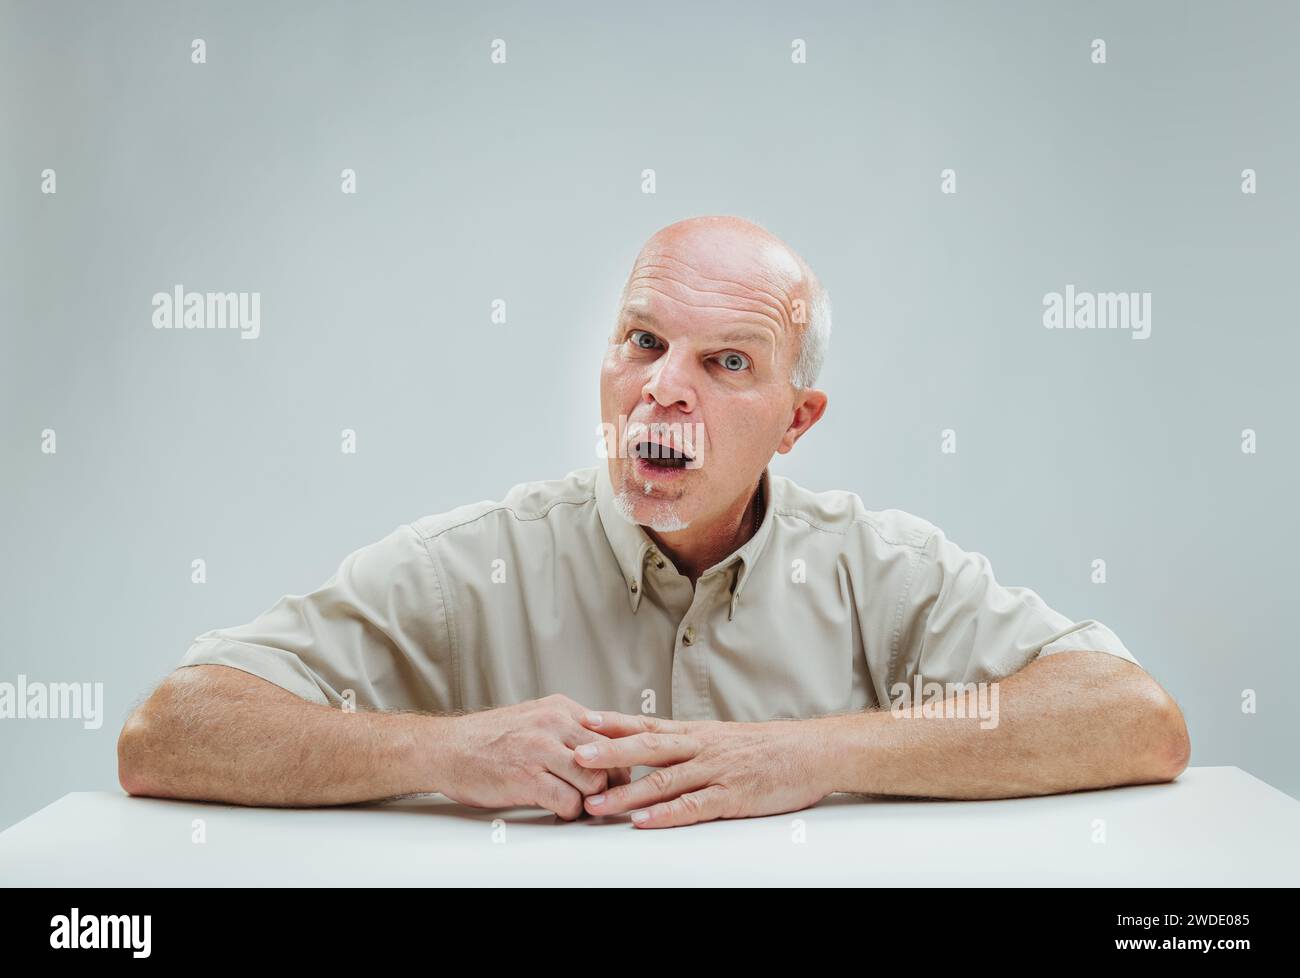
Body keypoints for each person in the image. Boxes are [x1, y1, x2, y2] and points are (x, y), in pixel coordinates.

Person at [117, 216, 1190, 829]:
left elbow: (1133, 719)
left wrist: (804, 757)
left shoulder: (877, 567)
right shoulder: (475, 566)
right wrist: (443, 749)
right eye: (640, 342)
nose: (661, 391)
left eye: (727, 362)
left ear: (795, 422)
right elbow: (170, 731)